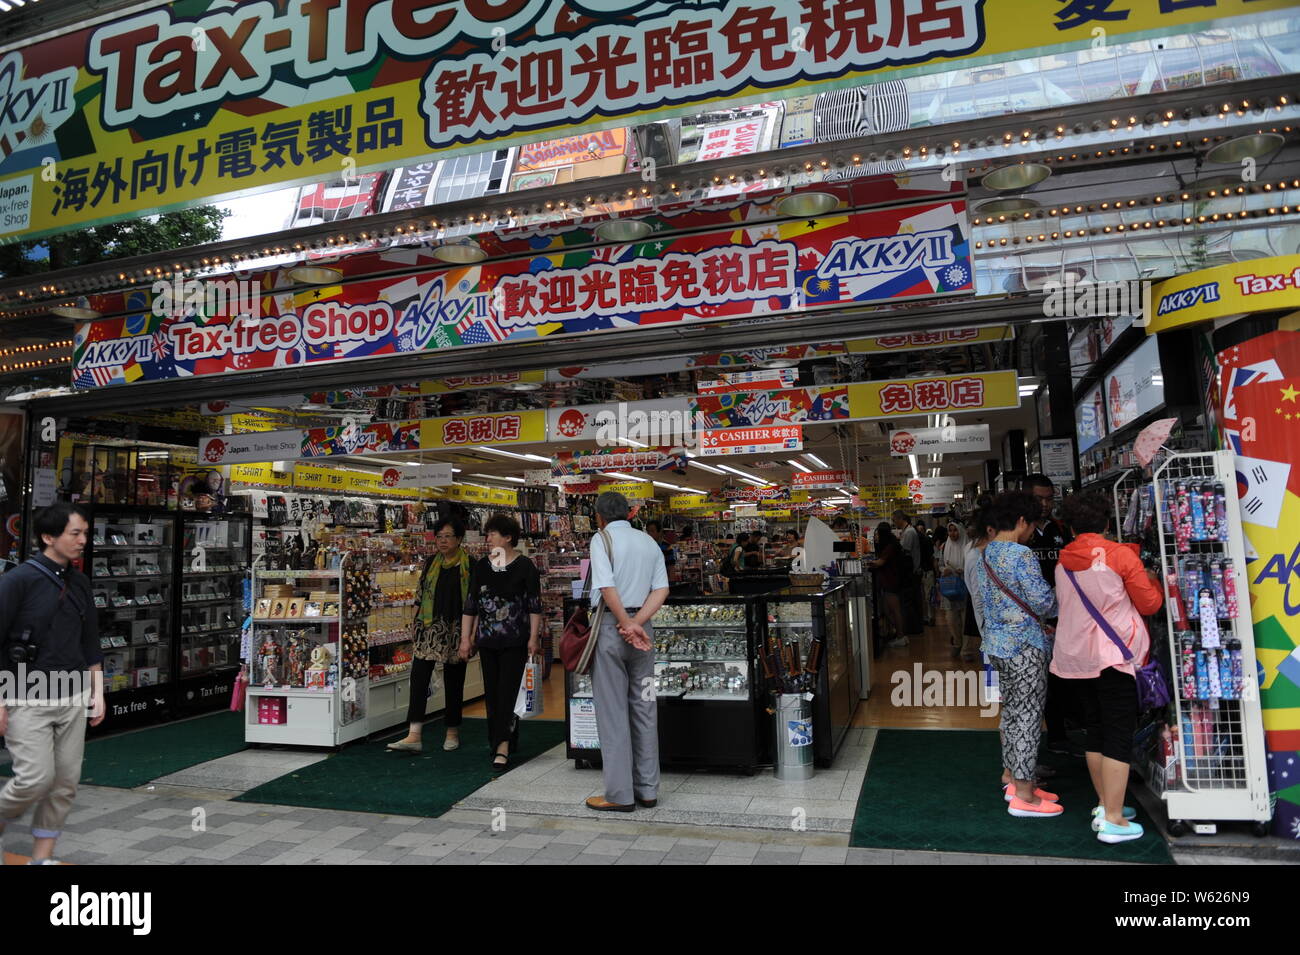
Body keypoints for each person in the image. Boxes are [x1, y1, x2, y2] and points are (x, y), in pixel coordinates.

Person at [1053, 492, 1163, 844]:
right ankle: (1114, 819)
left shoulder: (1063, 562)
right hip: (1115, 659)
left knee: (1095, 729)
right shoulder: (1119, 556)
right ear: (1106, 523)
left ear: (1070, 527)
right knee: (1118, 734)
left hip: (1077, 660)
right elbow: (1148, 603)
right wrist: (1153, 580)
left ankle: (1105, 804)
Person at [0, 503, 106, 865]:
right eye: (75, 533)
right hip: (25, 694)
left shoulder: (79, 581)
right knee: (34, 778)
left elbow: (90, 640)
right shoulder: (17, 581)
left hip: (73, 693)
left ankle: (41, 858)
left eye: (85, 533)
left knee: (64, 783)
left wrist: (98, 691)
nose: (83, 541)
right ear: (49, 537)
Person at [585, 491, 670, 812]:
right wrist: (638, 623)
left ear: (599, 516)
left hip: (610, 630)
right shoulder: (649, 542)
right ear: (630, 514)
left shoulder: (601, 539)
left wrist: (624, 624)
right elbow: (662, 588)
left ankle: (619, 795)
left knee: (612, 713)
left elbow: (606, 587)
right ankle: (648, 790)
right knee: (645, 709)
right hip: (643, 634)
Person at [978, 491, 1060, 818]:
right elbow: (1042, 602)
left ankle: (1010, 776)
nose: (1032, 532)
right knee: (1028, 716)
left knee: (1012, 712)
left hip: (996, 644)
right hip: (1024, 646)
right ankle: (1025, 794)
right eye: (1032, 524)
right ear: (1022, 521)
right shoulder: (1020, 554)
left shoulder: (985, 552)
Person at [459, 513, 542, 770]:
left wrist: (533, 637)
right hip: (487, 641)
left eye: (493, 533)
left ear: (508, 537)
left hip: (515, 640)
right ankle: (499, 739)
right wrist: (466, 639)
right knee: (493, 693)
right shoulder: (481, 566)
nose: (488, 538)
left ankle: (503, 745)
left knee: (507, 692)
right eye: (487, 533)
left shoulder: (526, 567)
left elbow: (534, 605)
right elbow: (471, 605)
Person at [388, 516, 472, 754]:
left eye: (448, 536)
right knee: (419, 677)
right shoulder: (431, 563)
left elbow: (474, 602)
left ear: (459, 539)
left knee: (454, 681)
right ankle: (414, 734)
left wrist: (470, 635)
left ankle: (452, 731)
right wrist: (414, 622)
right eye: (439, 537)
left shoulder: (470, 564)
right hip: (428, 628)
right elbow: (420, 594)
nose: (443, 541)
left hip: (456, 629)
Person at [1022, 474, 1080, 757]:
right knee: (1033, 684)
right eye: (1039, 499)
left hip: (1063, 616)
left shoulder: (1060, 529)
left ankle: (1060, 732)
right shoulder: (1018, 532)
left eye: (1049, 498)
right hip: (1029, 621)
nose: (1045, 504)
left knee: (1061, 676)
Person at [868, 522, 908, 649]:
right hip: (892, 580)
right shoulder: (892, 544)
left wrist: (869, 563)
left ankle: (901, 636)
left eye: (877, 534)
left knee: (894, 609)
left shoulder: (889, 547)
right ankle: (899, 634)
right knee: (889, 609)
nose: (876, 537)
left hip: (891, 581)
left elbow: (880, 562)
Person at [938, 520, 971, 658]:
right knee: (951, 619)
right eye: (950, 531)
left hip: (965, 586)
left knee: (965, 618)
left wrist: (963, 570)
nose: (953, 533)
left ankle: (966, 649)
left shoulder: (968, 547)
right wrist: (944, 570)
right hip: (950, 587)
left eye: (955, 530)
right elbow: (940, 564)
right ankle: (957, 642)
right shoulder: (945, 547)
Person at [892, 510, 925, 630]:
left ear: (900, 519)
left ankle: (914, 627)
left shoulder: (909, 532)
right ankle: (914, 625)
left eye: (894, 520)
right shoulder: (907, 531)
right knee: (912, 600)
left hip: (912, 573)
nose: (894, 522)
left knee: (911, 601)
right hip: (911, 572)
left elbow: (905, 552)